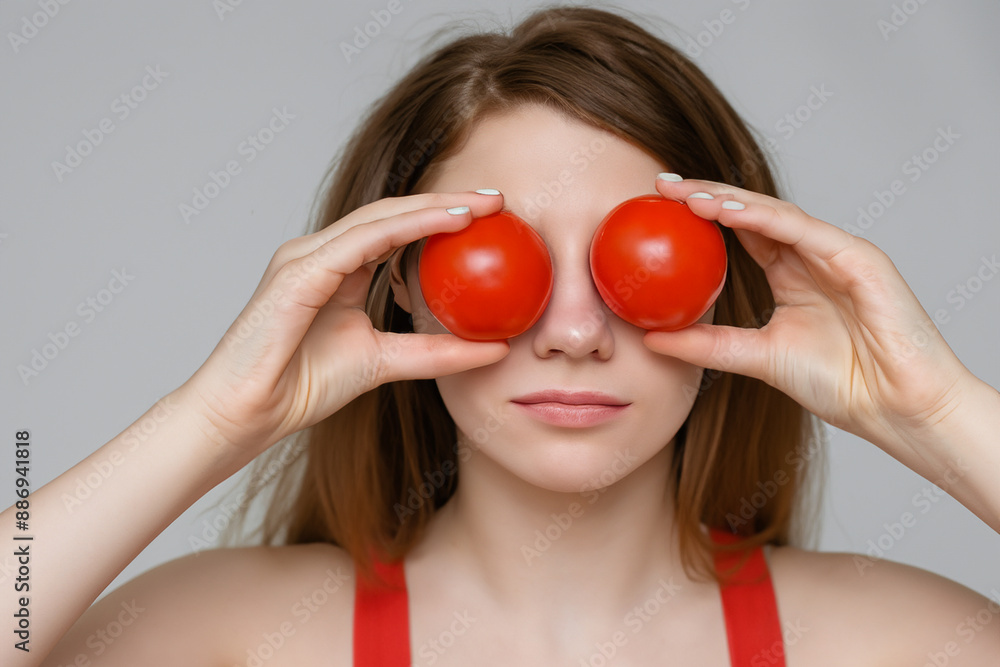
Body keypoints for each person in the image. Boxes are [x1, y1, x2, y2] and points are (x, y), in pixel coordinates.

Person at [7, 6, 999, 666]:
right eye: (497, 262)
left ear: (725, 287)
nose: (573, 331)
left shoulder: (890, 640)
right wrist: (211, 420)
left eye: (641, 263)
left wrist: (937, 411)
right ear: (402, 286)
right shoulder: (230, 634)